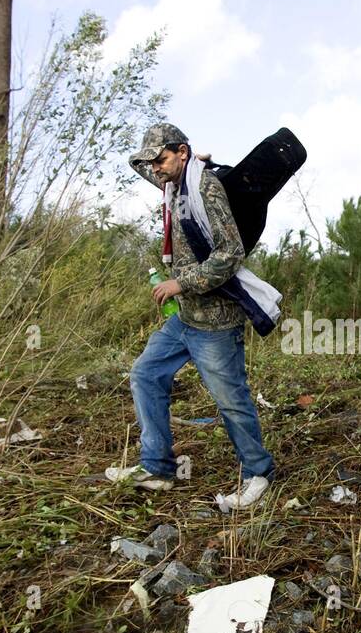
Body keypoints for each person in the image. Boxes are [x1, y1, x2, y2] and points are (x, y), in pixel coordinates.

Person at [118, 122, 276, 511]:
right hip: (186, 320)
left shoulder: (205, 187)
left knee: (231, 400)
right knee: (145, 373)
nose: (154, 168)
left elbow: (230, 253)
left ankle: (259, 475)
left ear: (181, 152)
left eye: (161, 159)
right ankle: (157, 467)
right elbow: (137, 164)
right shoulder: (174, 182)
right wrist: (163, 159)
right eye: (152, 162)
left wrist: (180, 283)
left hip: (216, 323)